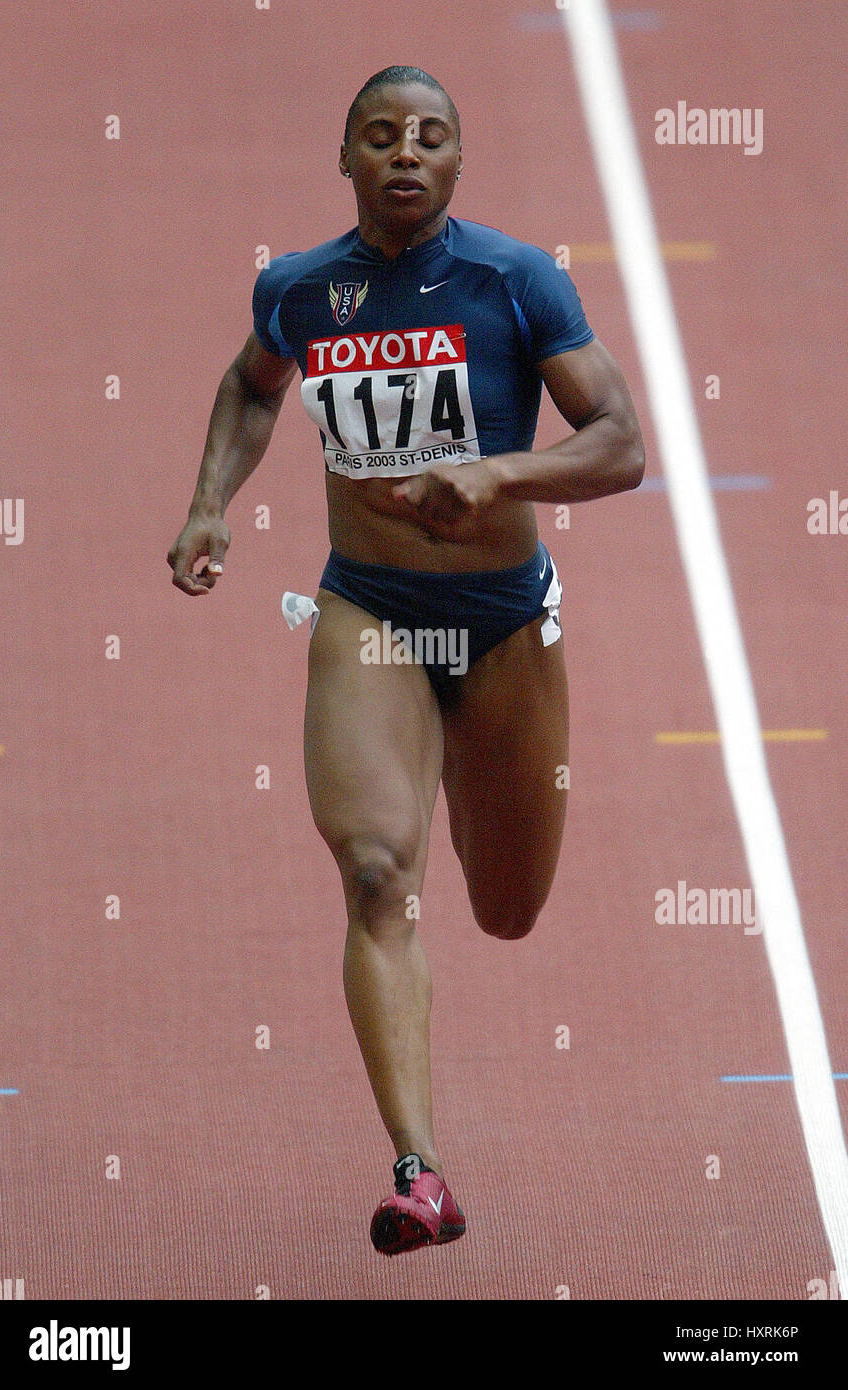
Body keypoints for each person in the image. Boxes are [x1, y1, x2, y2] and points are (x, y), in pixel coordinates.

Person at [167, 65, 644, 1257]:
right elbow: (247, 385)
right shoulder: (302, 289)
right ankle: (419, 1170)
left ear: (456, 164)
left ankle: (479, 805)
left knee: (506, 909)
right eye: (379, 136)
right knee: (378, 871)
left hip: (500, 618)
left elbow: (618, 443)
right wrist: (211, 501)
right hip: (367, 608)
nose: (404, 153)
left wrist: (497, 473)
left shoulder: (514, 281)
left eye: (429, 137)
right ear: (345, 160)